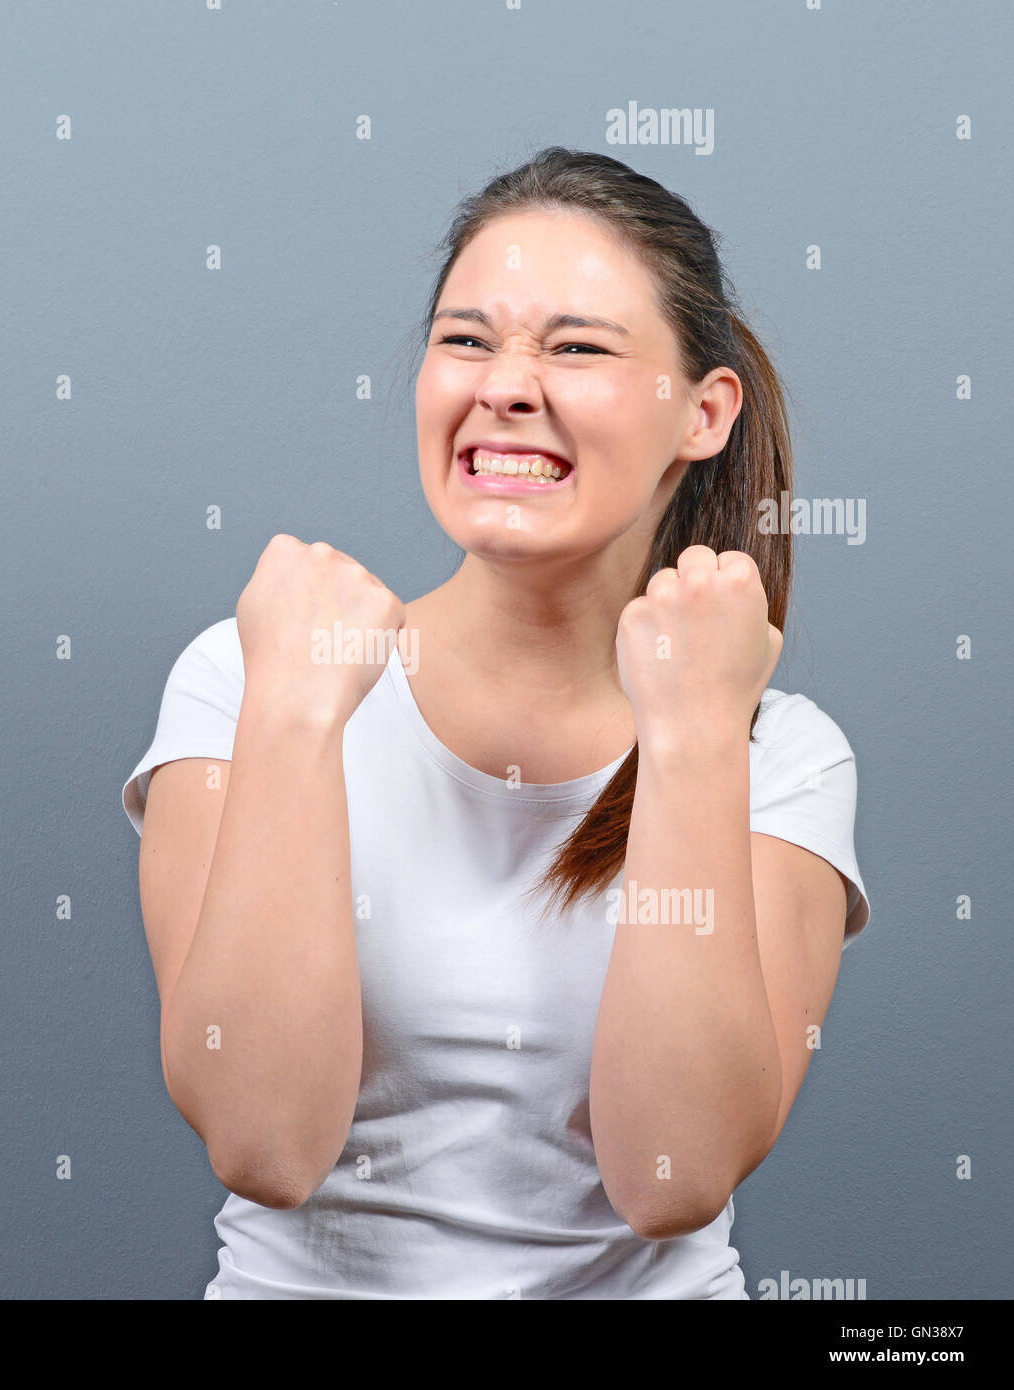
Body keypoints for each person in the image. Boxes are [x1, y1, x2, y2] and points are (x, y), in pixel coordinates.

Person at [120, 148, 870, 1299]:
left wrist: (691, 742)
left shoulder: (779, 751)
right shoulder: (248, 678)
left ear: (701, 413)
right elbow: (263, 1144)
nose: (505, 387)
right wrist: (295, 721)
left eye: (575, 347)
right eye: (467, 340)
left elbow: (673, 1177)